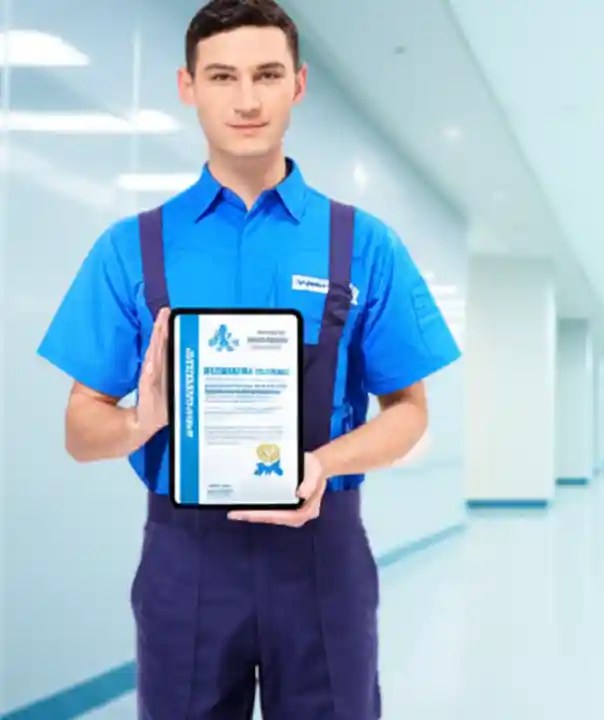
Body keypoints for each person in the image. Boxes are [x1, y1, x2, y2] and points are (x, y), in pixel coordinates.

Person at [35, 0, 461, 717]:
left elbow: (410, 414)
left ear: (297, 84)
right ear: (187, 86)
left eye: (266, 74)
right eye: (222, 75)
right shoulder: (130, 247)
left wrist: (323, 465)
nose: (245, 98)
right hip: (186, 556)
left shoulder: (363, 243)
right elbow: (81, 430)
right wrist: (145, 420)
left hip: (323, 552)